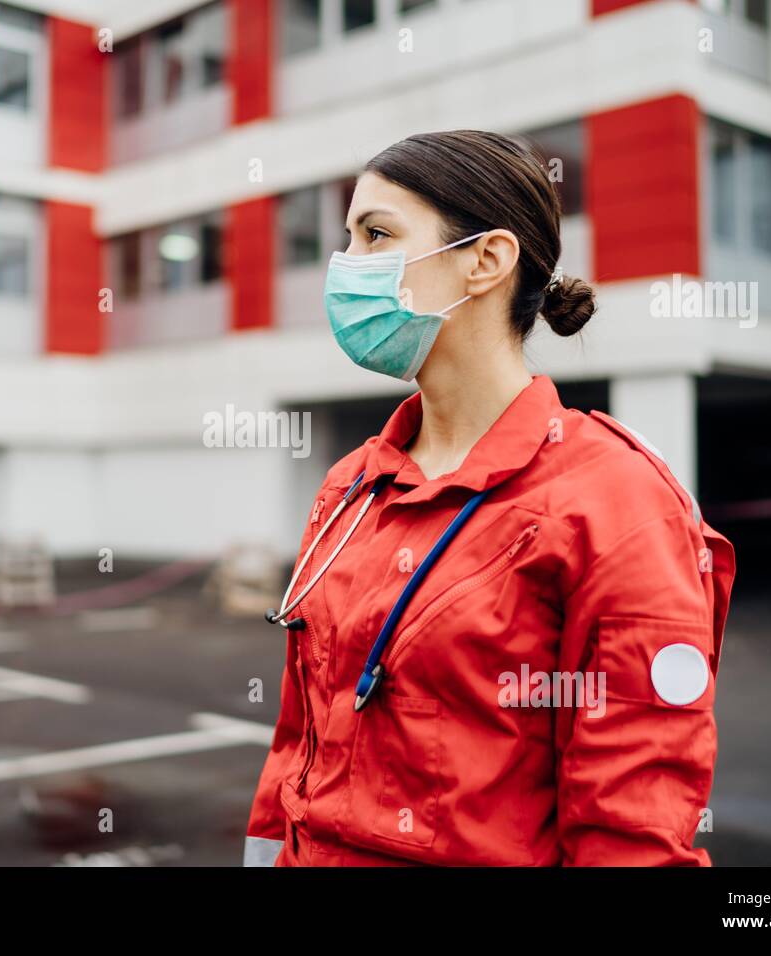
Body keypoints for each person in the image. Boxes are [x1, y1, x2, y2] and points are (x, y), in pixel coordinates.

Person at [244, 130, 736, 867]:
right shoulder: (350, 486)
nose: (347, 266)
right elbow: (296, 745)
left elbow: (632, 831)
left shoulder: (616, 502)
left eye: (377, 233)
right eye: (348, 237)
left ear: (486, 260)